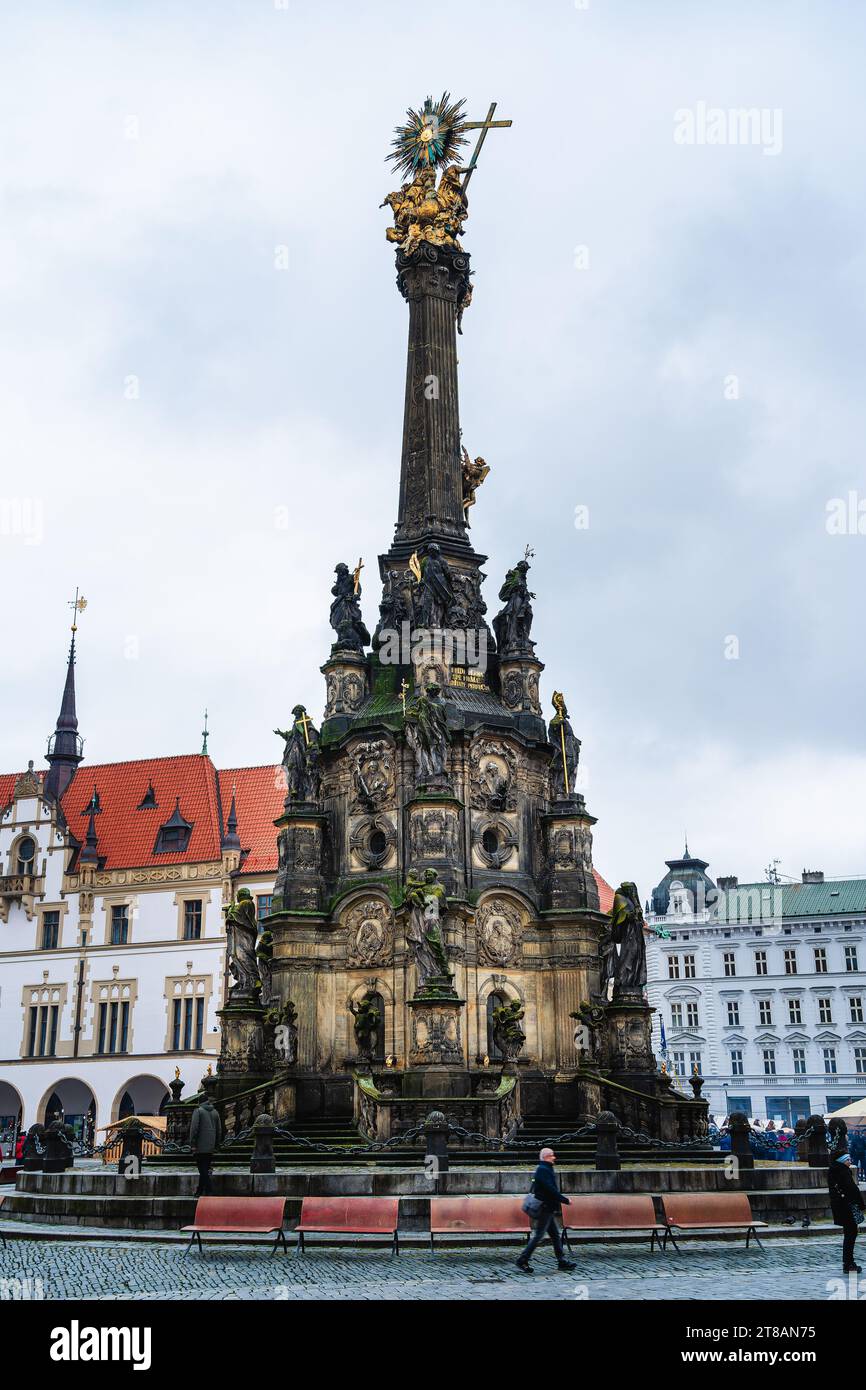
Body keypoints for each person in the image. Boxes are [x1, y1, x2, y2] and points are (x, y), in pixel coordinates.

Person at [515, 1146, 577, 1275]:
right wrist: (564, 1200)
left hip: (548, 1207)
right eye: (551, 1155)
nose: (554, 1157)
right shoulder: (543, 1170)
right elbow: (550, 1189)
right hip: (544, 1208)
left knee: (555, 1235)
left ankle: (561, 1260)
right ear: (544, 1157)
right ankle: (522, 1259)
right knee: (539, 1235)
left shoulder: (546, 1168)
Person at [828, 1136, 865, 1273]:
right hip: (846, 1206)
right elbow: (852, 1189)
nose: (850, 1161)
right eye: (848, 1159)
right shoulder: (843, 1171)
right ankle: (849, 1263)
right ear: (843, 1161)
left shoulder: (834, 1170)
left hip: (840, 1206)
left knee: (849, 1234)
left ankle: (848, 1262)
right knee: (851, 1234)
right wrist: (861, 1204)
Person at [189, 1094, 222, 1198]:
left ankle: (209, 1189)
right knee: (205, 1168)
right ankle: (200, 1191)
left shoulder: (198, 1111)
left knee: (202, 1170)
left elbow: (194, 1129)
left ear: (199, 1102)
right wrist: (216, 1144)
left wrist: (193, 1144)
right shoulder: (215, 1112)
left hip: (200, 1146)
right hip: (211, 1145)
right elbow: (219, 1130)